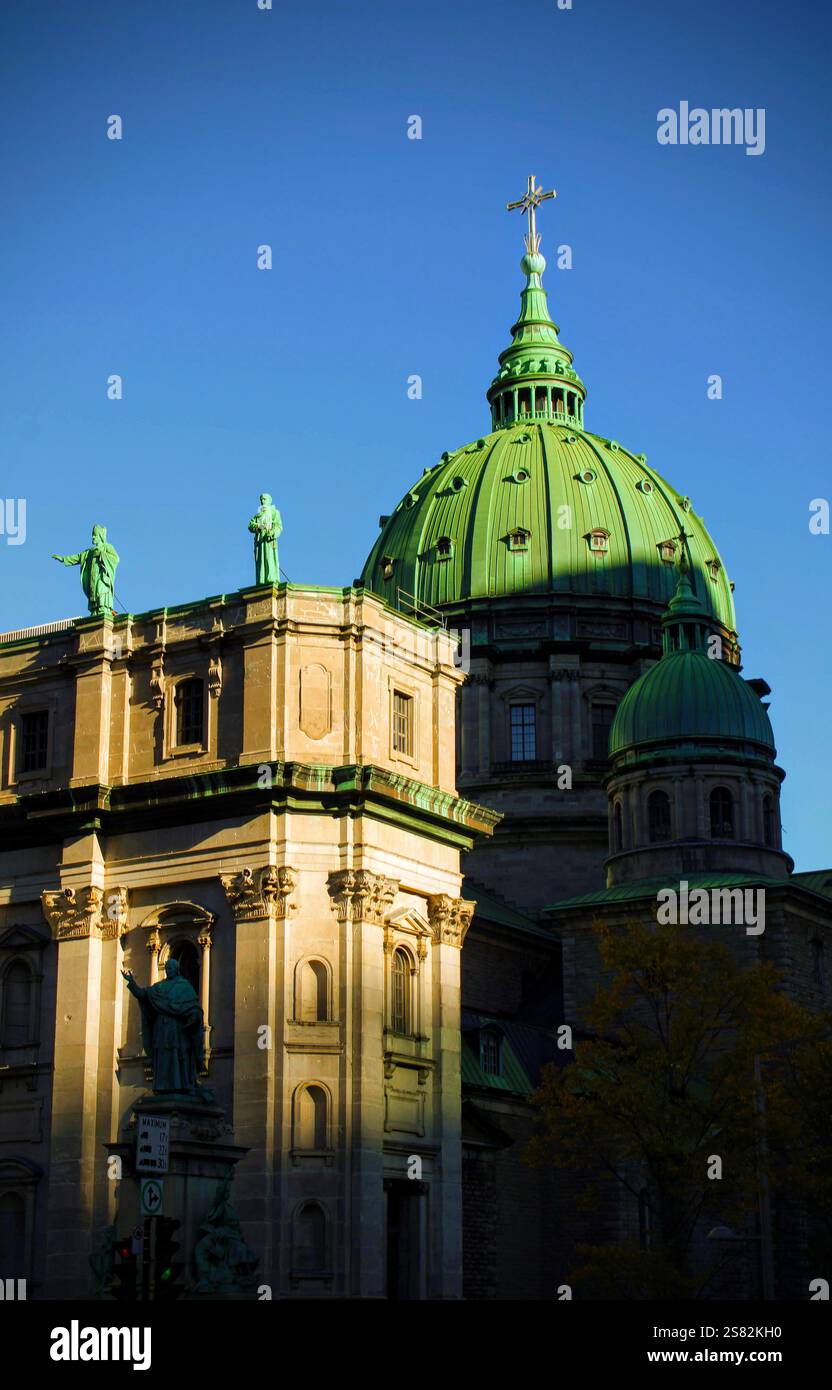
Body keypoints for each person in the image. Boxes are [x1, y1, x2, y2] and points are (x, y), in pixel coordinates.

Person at [121, 957, 204, 1095]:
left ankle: (181, 1085)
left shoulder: (185, 986)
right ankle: (162, 1086)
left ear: (176, 970)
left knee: (178, 1056)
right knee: (164, 1057)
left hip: (178, 1031)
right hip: (162, 1030)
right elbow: (143, 995)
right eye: (166, 969)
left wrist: (194, 1018)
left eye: (170, 969)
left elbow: (194, 1008)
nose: (168, 971)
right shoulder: (158, 987)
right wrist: (131, 983)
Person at [52, 524, 119, 616]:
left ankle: (103, 608)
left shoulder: (107, 547)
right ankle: (95, 609)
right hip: (92, 576)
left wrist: (102, 554)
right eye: (92, 535)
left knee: (101, 589)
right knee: (94, 591)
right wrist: (64, 559)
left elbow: (115, 559)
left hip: (102, 575)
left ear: (99, 536)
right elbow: (78, 557)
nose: (93, 537)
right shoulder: (88, 552)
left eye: (95, 535)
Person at [247, 493, 282, 584]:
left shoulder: (274, 512)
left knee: (269, 558)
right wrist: (259, 526)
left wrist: (273, 532)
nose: (262, 501)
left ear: (269, 500)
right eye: (261, 499)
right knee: (260, 561)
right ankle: (261, 580)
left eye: (264, 499)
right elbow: (250, 526)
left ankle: (271, 578)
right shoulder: (258, 514)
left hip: (269, 539)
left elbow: (279, 526)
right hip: (259, 540)